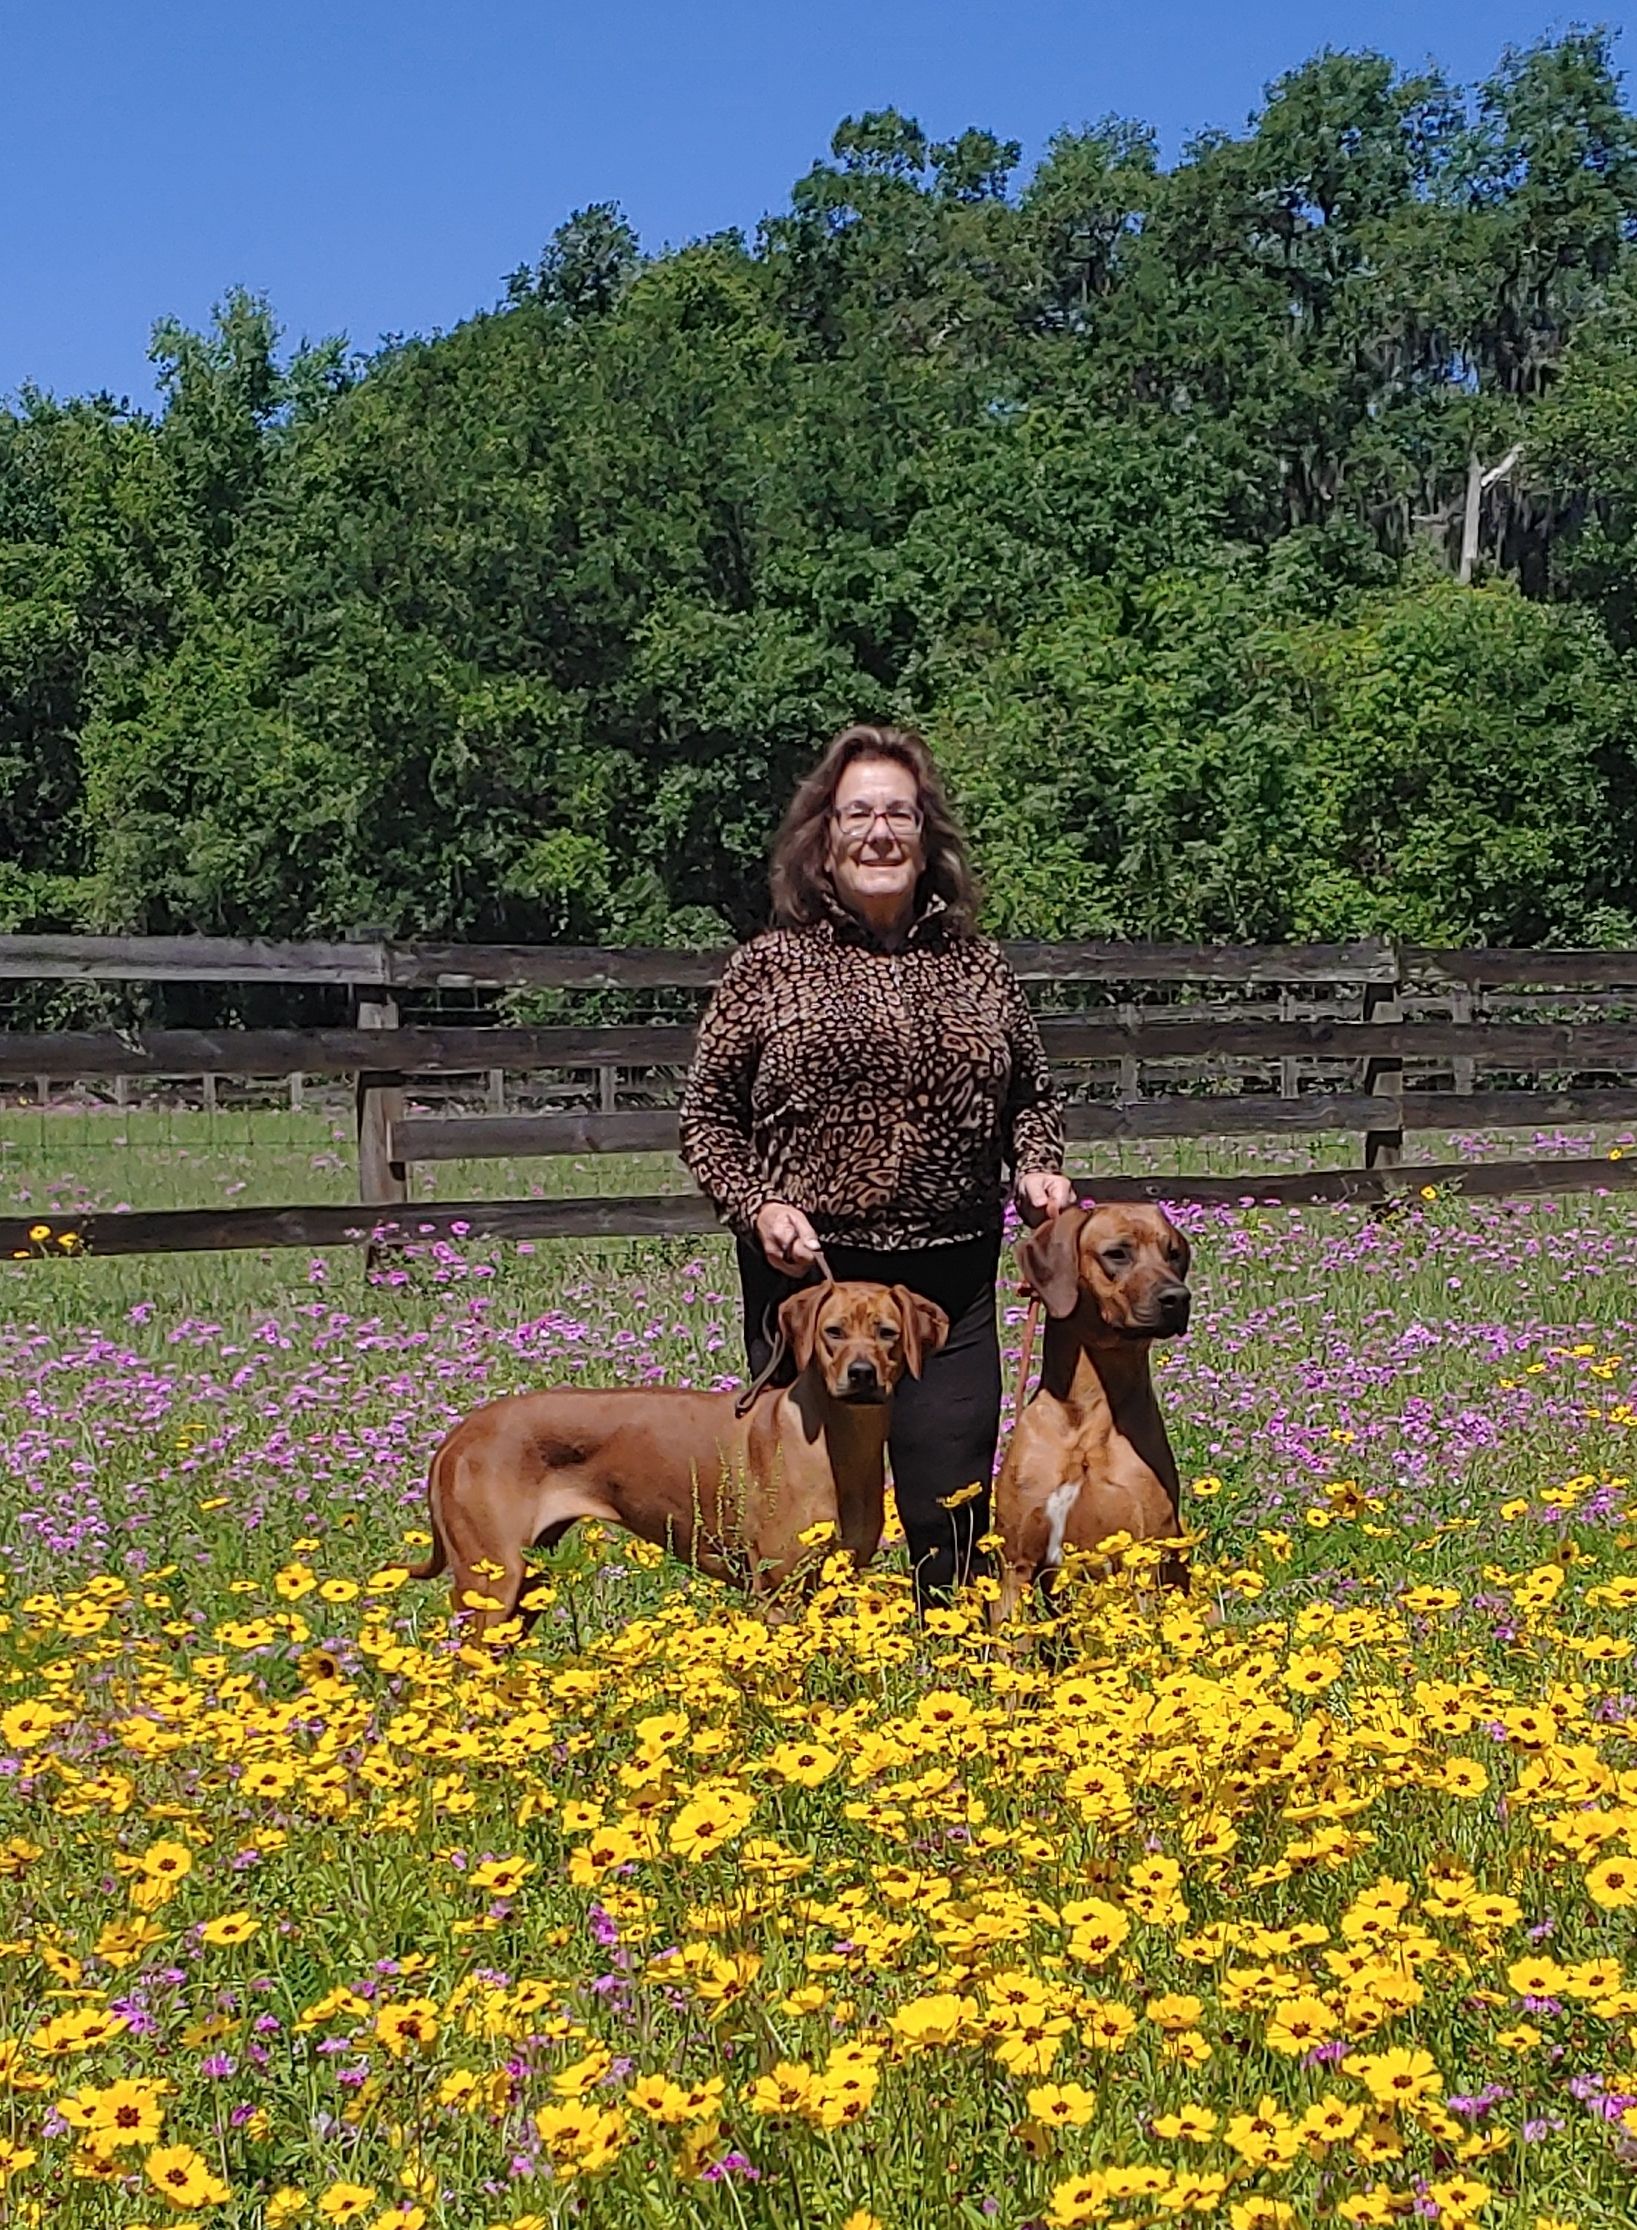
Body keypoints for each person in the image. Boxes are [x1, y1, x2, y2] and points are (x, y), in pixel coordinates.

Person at [679, 723, 1075, 1606]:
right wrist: (756, 1207)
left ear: (927, 836)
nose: (879, 832)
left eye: (899, 813)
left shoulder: (979, 967)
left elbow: (1032, 1101)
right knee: (809, 1526)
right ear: (822, 836)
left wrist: (1037, 1166)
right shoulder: (767, 968)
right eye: (857, 813)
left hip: (949, 1282)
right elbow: (706, 1118)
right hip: (813, 1280)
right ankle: (809, 1695)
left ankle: (959, 1684)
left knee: (950, 1509)